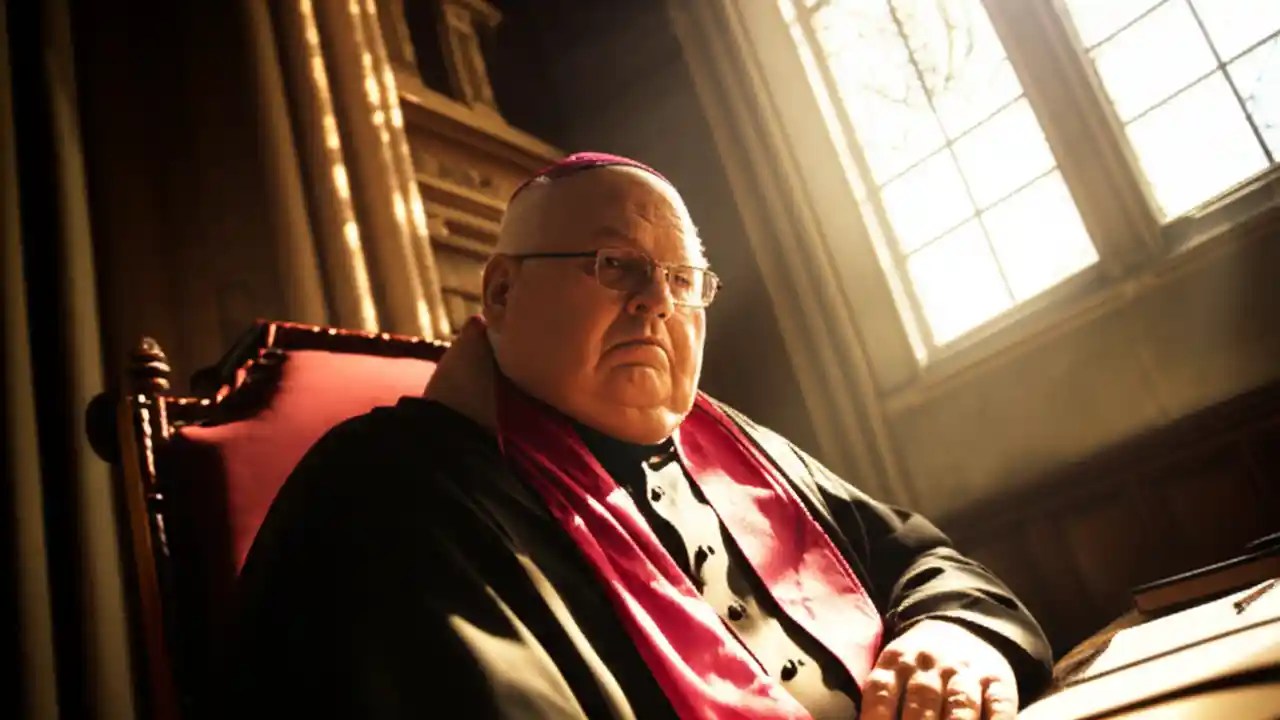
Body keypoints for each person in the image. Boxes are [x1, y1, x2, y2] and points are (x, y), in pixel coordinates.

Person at [222, 152, 1052, 719]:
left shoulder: (744, 451)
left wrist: (954, 638)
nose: (657, 302)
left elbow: (924, 561)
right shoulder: (391, 490)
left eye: (683, 279)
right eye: (616, 265)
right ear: (502, 293)